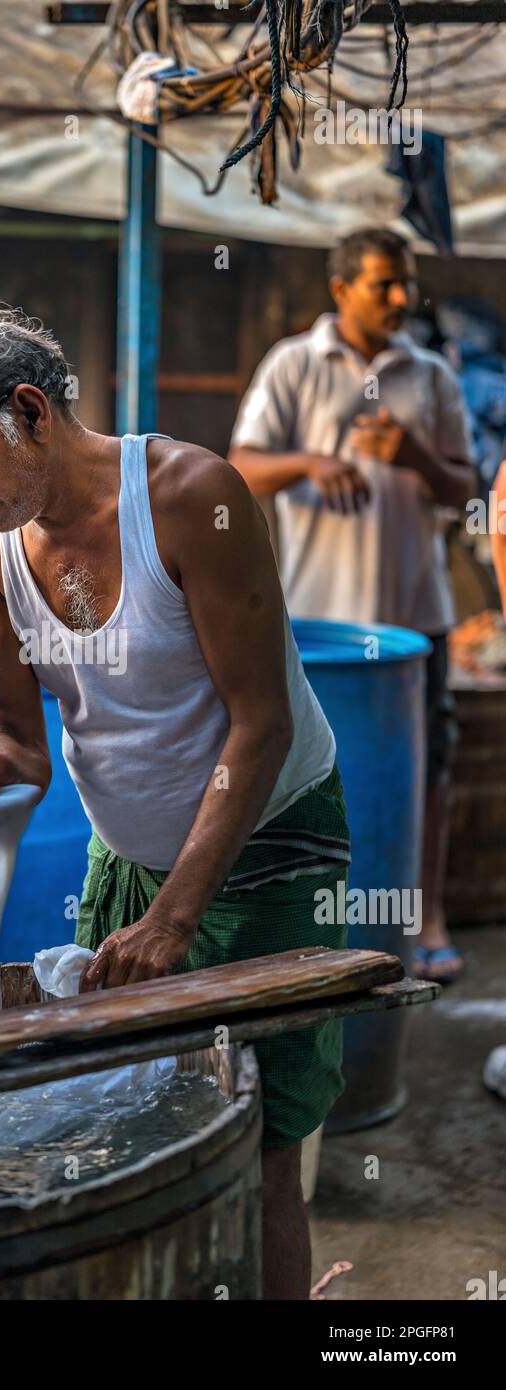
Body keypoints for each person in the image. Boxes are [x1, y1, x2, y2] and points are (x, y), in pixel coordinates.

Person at [0, 298, 352, 1300]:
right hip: (129, 857)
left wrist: (175, 915)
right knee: (127, 1119)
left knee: (260, 1137)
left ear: (28, 410)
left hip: (266, 838)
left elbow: (258, 724)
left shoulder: (193, 498)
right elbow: (18, 741)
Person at [228, 228, 476, 986]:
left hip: (416, 620)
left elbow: (468, 492)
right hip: (319, 626)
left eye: (406, 283)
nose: (402, 298)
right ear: (340, 289)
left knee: (424, 768)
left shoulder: (429, 373)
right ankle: (307, 924)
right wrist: (310, 459)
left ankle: (422, 919)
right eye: (382, 285)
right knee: (304, 773)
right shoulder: (295, 364)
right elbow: (239, 467)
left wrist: (414, 457)